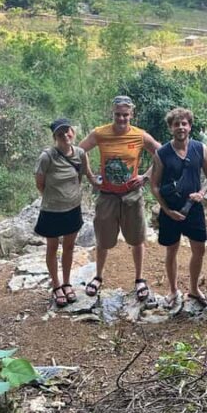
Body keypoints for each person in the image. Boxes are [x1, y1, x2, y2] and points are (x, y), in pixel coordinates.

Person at [78, 95, 161, 301]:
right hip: (107, 196)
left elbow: (161, 153)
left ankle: (139, 279)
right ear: (112, 113)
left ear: (131, 114)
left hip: (132, 196)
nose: (121, 119)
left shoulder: (139, 135)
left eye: (125, 115)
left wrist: (146, 176)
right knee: (103, 239)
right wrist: (90, 176)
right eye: (118, 114)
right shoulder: (100, 133)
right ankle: (98, 276)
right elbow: (79, 151)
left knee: (137, 238)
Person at [151, 107, 207, 309]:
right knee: (172, 250)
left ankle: (194, 288)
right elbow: (154, 185)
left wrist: (202, 193)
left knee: (199, 249)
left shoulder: (200, 148)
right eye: (176, 124)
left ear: (190, 126)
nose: (181, 127)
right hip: (171, 210)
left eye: (184, 123)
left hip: (193, 208)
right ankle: (172, 289)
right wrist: (166, 210)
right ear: (171, 127)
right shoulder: (162, 153)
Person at [34, 118, 89, 307]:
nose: (65, 135)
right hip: (52, 210)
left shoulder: (80, 153)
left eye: (68, 131)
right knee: (52, 247)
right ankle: (56, 285)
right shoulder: (47, 157)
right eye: (60, 133)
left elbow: (80, 177)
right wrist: (55, 198)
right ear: (55, 137)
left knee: (69, 247)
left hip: (73, 208)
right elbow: (40, 184)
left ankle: (67, 283)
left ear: (73, 131)